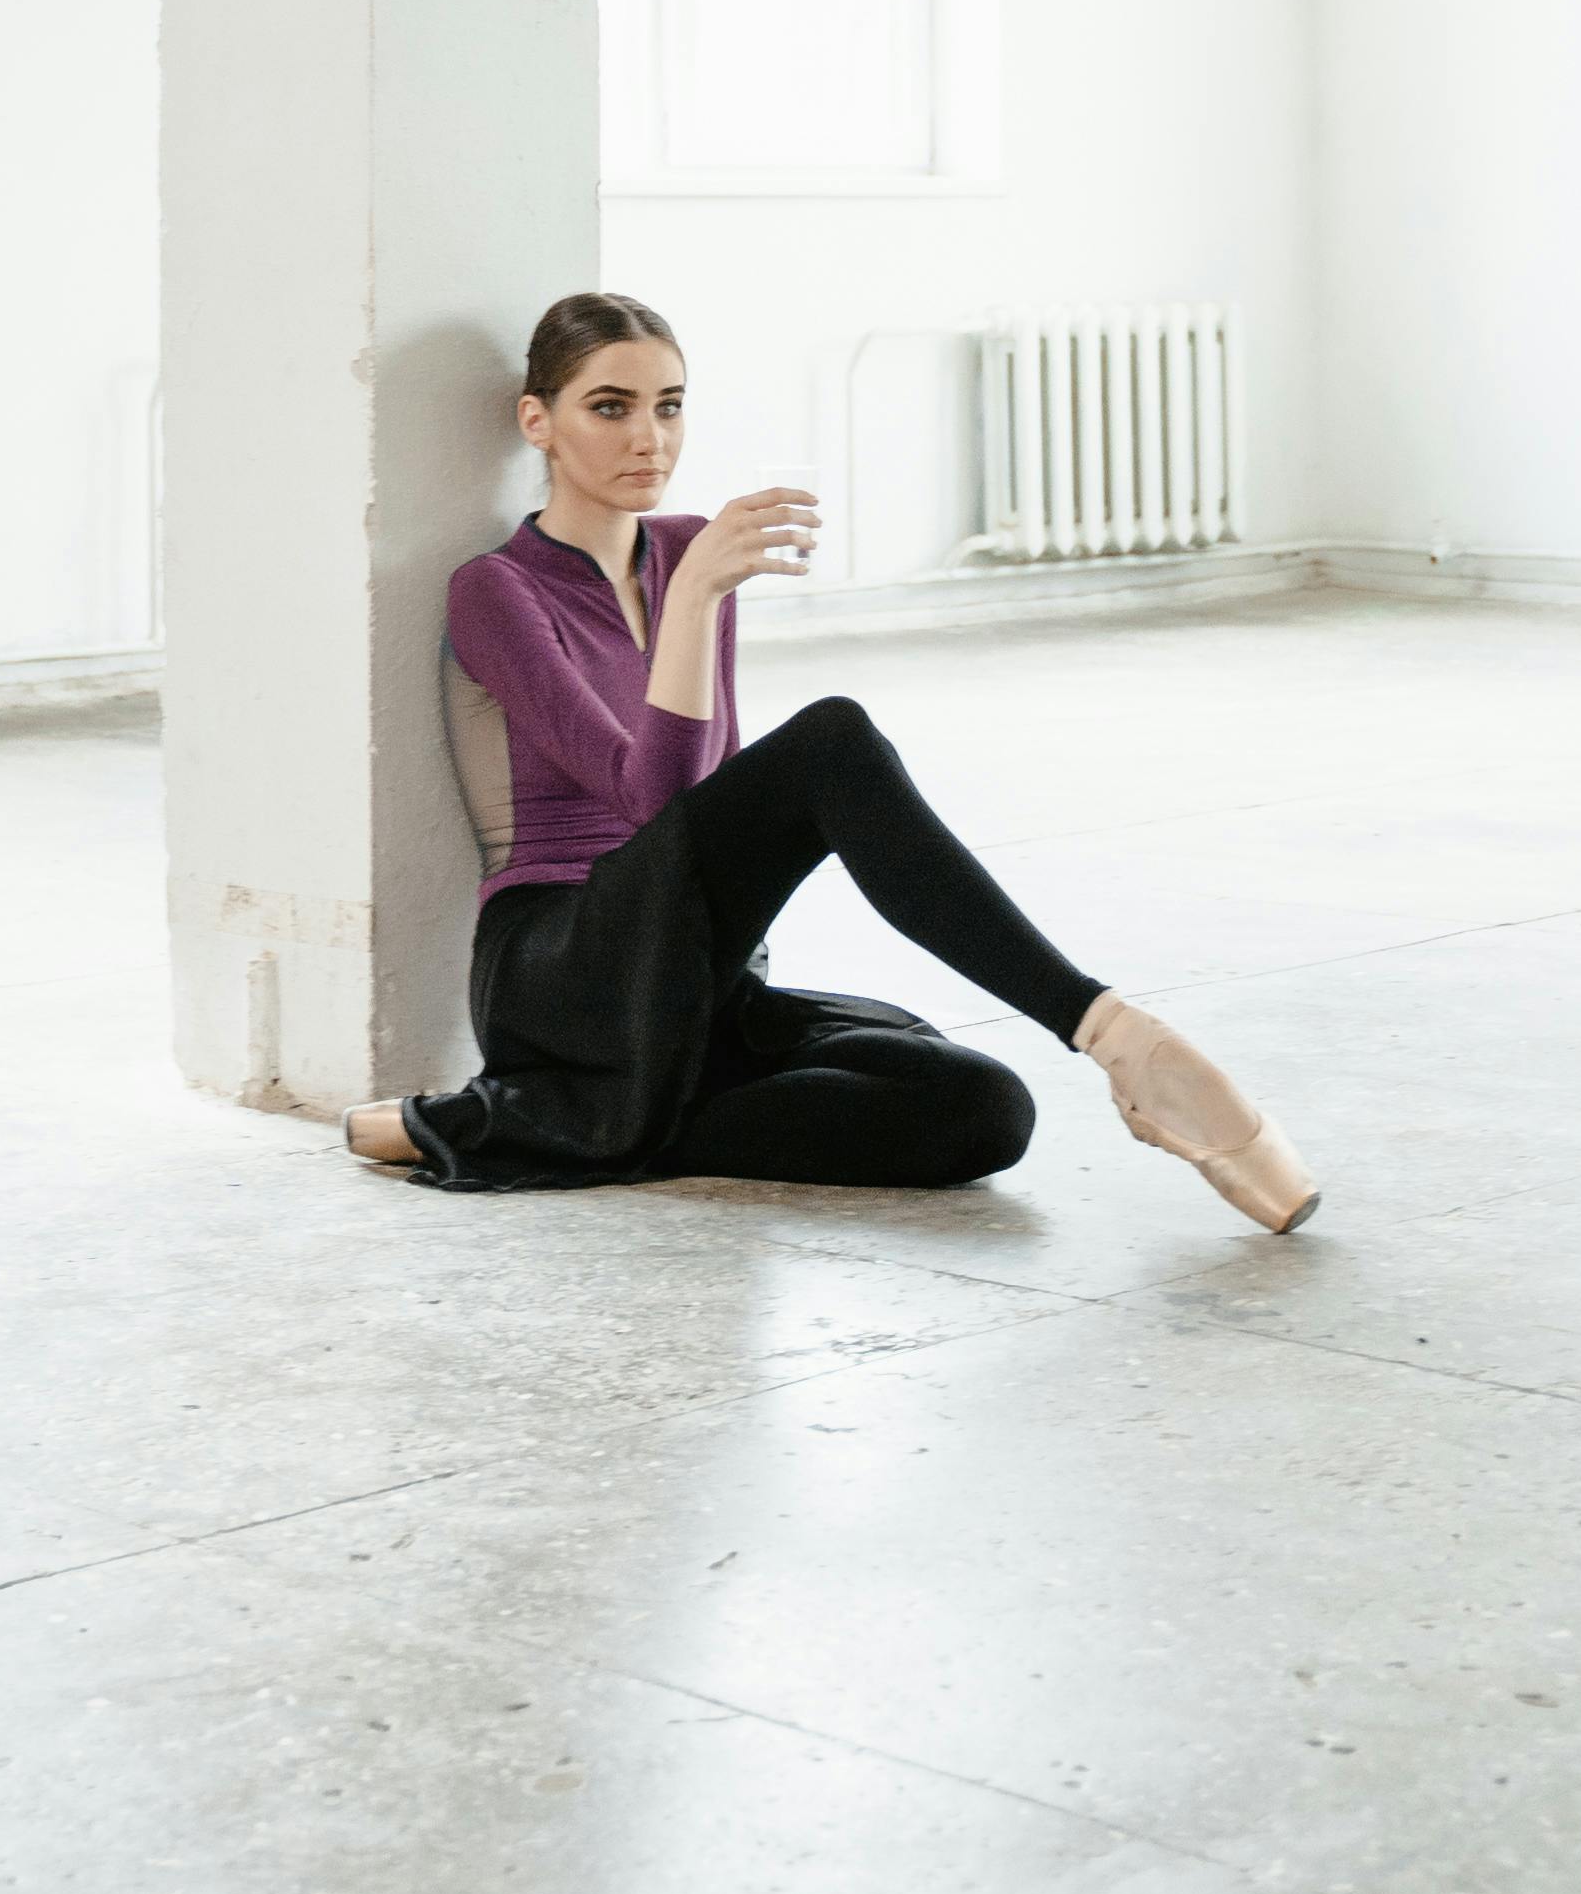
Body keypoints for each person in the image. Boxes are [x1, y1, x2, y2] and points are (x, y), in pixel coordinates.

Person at [348, 290, 1316, 1231]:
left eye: (669, 405)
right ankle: (1119, 1038)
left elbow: (707, 798)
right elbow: (656, 803)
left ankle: (583, 1122)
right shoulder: (496, 590)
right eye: (610, 407)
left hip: (691, 973)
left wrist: (689, 590)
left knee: (984, 1110)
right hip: (562, 971)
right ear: (538, 420)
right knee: (831, 741)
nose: (650, 438)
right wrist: (692, 602)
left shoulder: (686, 551)